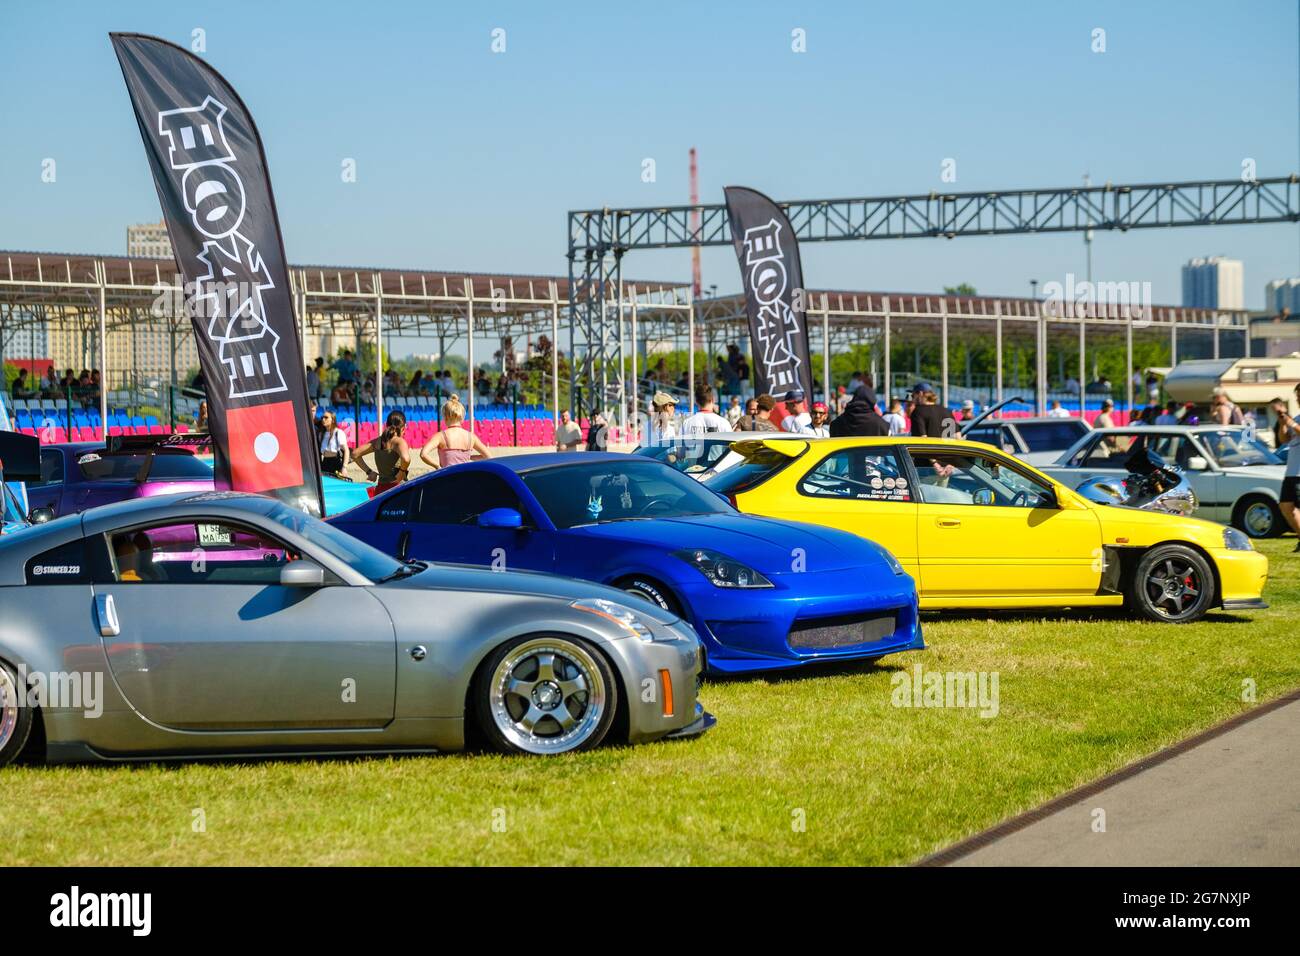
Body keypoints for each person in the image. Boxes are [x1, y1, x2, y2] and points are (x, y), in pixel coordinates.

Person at [421, 394, 490, 470]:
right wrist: (468, 457)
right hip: (465, 476)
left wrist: (437, 466)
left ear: (445, 417)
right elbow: (488, 456)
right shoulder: (471, 437)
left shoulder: (440, 436)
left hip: (448, 477)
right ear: (462, 418)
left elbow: (423, 454)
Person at [353, 410, 411, 497]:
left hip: (380, 490)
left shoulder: (377, 441)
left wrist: (369, 472)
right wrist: (402, 472)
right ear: (403, 427)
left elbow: (355, 454)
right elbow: (406, 459)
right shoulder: (399, 442)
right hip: (397, 489)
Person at [1275, 386, 1300, 551]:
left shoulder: (1295, 420)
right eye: (1297, 396)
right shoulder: (1297, 417)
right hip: (1291, 471)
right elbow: (1284, 440)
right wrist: (1282, 423)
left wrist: (1289, 420)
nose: (1298, 399)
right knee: (1285, 506)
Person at [319, 409, 350, 477]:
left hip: (336, 463)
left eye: (326, 417)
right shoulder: (321, 434)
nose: (323, 419)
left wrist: (344, 467)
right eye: (322, 417)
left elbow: (346, 450)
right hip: (325, 463)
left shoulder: (338, 433)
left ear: (333, 420)